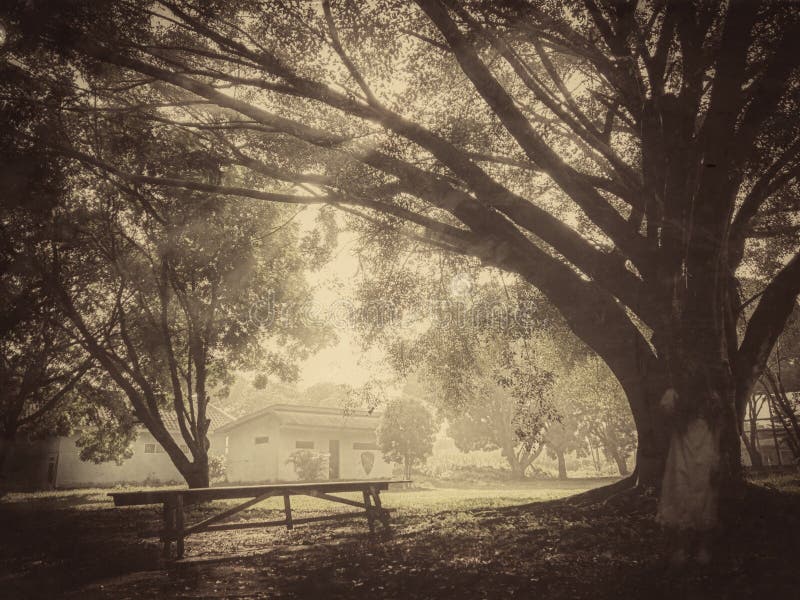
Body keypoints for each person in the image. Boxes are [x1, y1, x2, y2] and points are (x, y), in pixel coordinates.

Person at [656, 385, 720, 565]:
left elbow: (717, 426)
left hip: (705, 444)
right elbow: (666, 415)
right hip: (681, 446)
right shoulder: (675, 392)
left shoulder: (710, 394)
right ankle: (681, 547)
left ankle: (702, 548)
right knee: (681, 490)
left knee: (704, 492)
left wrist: (716, 455)